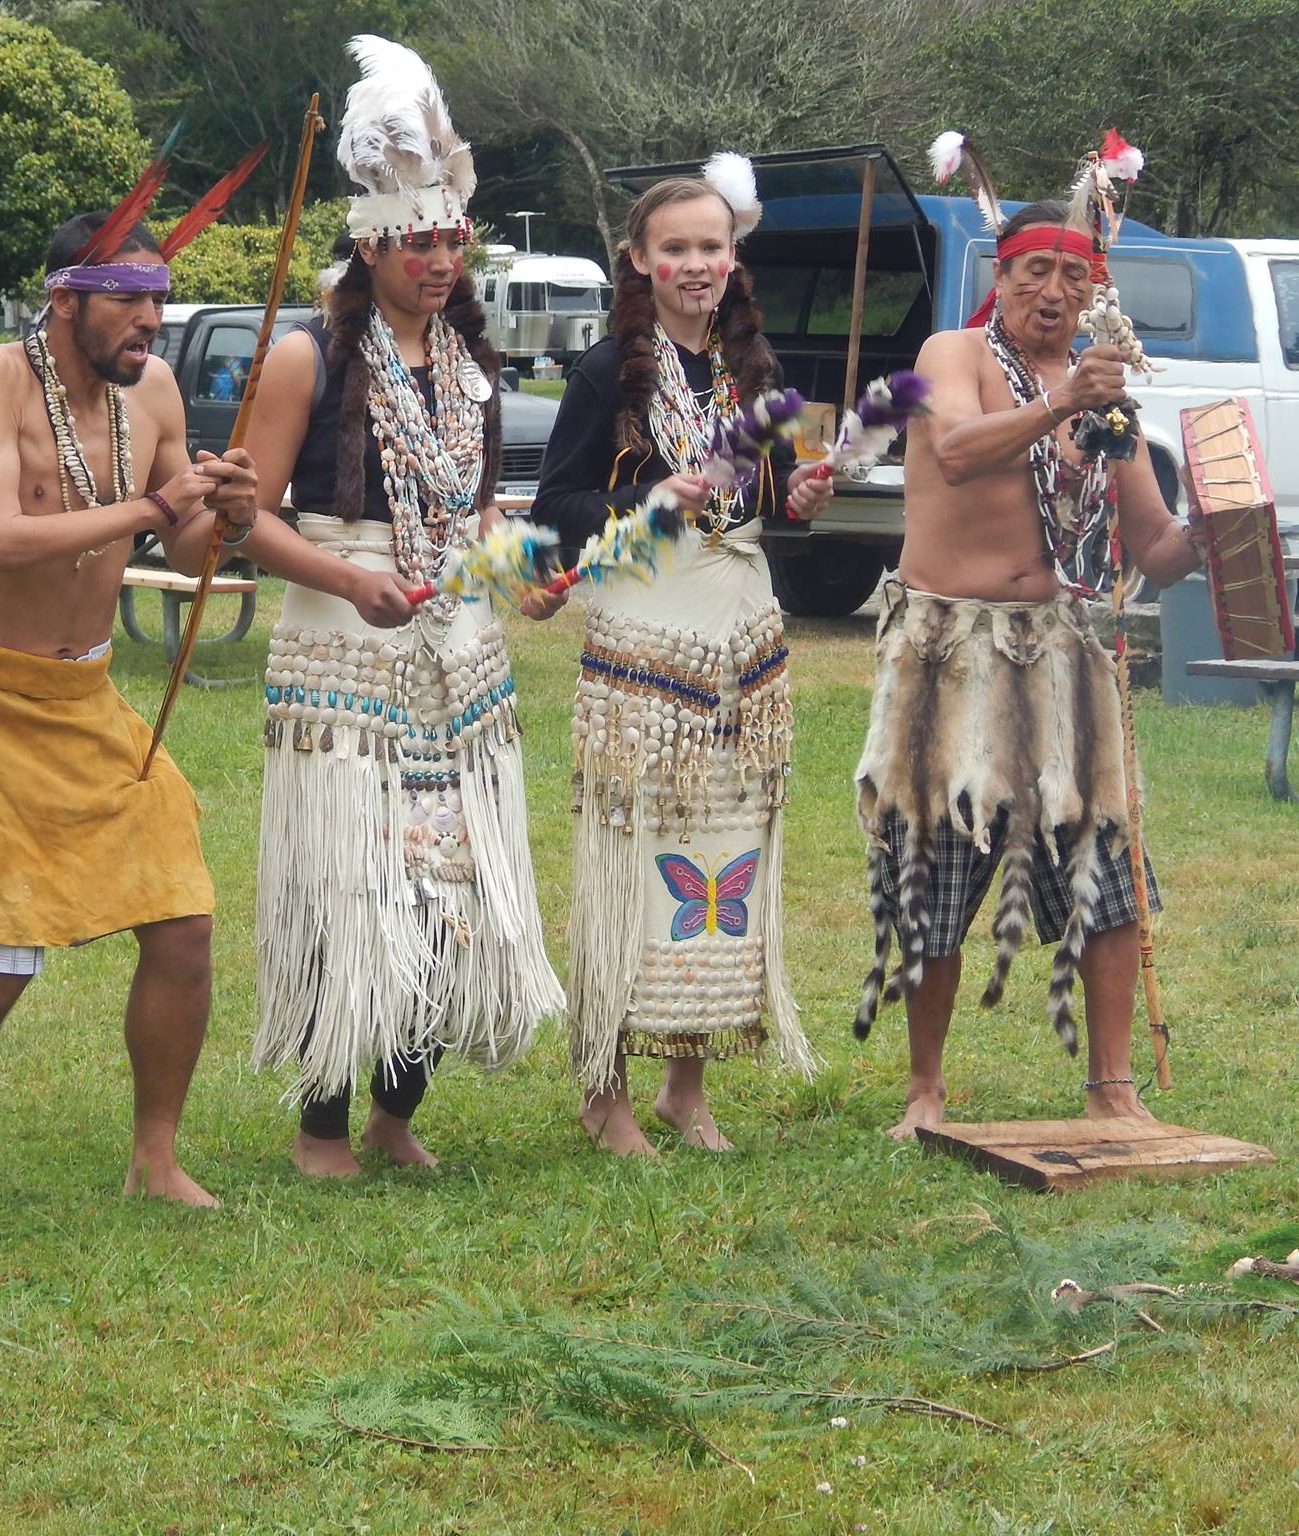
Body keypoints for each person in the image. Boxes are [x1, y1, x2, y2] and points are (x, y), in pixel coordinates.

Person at [237, 35, 563, 1178]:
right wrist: (346, 578)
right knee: (351, 880)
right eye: (417, 239)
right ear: (370, 243)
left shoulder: (470, 362)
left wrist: (518, 564)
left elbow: (475, 513)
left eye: (450, 236)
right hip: (345, 649)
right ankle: (320, 1121)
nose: (438, 256)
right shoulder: (304, 358)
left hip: (453, 656)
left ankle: (395, 1110)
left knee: (448, 882)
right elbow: (249, 519)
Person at [0, 209, 257, 1213]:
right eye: (129, 299)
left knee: (182, 920)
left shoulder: (159, 391)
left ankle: (156, 1157)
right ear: (65, 299)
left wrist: (223, 514)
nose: (152, 317)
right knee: (0, 956)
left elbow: (184, 554)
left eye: (157, 299)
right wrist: (151, 509)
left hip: (81, 693)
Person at [853, 168, 1201, 1138]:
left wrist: (1220, 532)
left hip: (1062, 651)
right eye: (1032, 272)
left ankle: (1110, 1086)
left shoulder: (1103, 395)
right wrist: (1061, 406)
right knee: (934, 861)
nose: (1051, 292)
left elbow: (1153, 546)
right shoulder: (949, 352)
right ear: (998, 279)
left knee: (1102, 861)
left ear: (1092, 292)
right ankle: (923, 1089)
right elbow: (958, 451)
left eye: (1070, 277)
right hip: (948, 647)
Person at [531, 158, 829, 1157]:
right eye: (675, 248)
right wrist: (646, 503)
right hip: (641, 642)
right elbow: (555, 514)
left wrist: (799, 498)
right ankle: (601, 1086)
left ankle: (683, 1087)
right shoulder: (601, 373)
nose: (694, 264)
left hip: (742, 638)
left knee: (719, 852)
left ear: (732, 256)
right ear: (638, 259)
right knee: (627, 856)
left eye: (710, 247)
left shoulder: (753, 376)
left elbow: (764, 504)